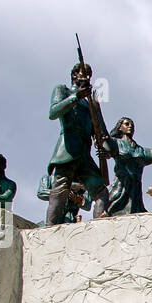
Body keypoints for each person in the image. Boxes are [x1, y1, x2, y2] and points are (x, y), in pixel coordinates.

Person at [43, 60, 107, 225]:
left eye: (89, 76)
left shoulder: (90, 104)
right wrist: (76, 96)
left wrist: (104, 147)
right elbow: (53, 112)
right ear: (74, 75)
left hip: (84, 154)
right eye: (83, 74)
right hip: (68, 150)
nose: (87, 78)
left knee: (101, 192)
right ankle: (49, 229)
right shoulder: (62, 90)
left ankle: (99, 224)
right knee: (60, 192)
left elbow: (98, 132)